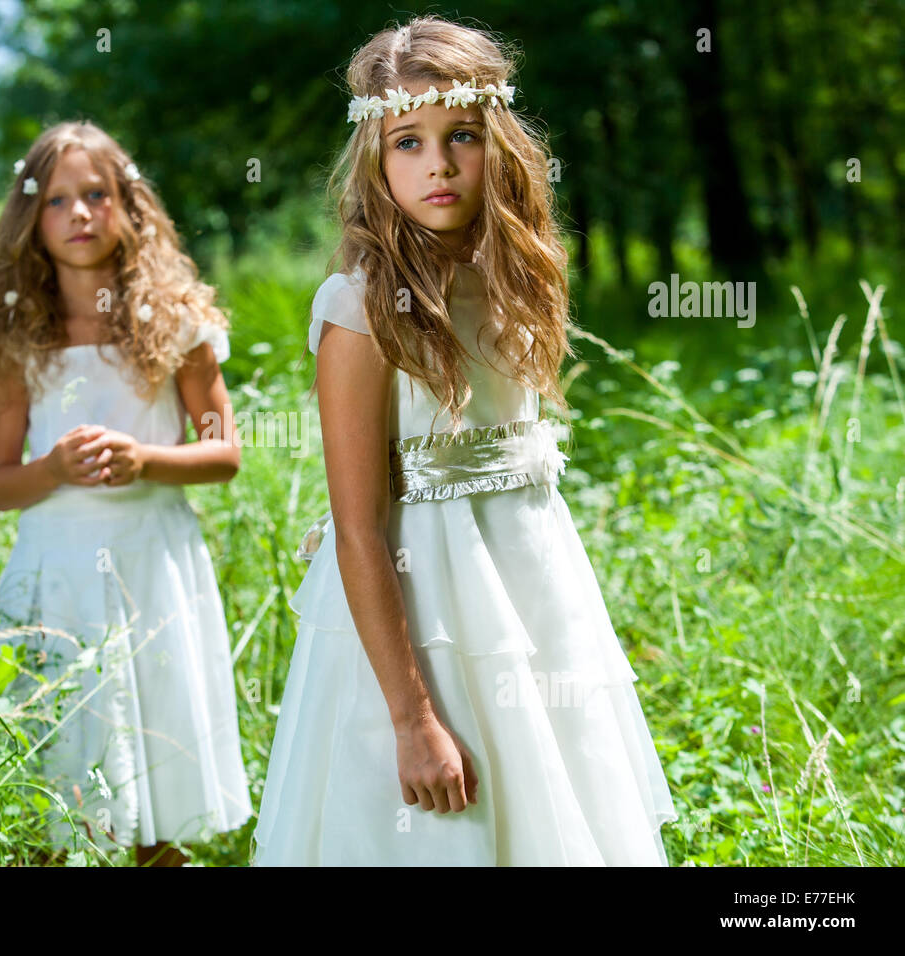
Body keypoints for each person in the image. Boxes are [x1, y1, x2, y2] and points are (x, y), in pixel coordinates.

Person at [252, 16, 678, 865]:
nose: (437, 165)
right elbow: (358, 526)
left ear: (500, 144)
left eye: (462, 137)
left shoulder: (518, 278)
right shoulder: (359, 308)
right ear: (374, 155)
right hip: (426, 612)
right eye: (407, 141)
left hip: (534, 596)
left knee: (555, 810)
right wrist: (412, 720)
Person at [0, 121, 252, 866]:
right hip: (57, 569)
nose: (80, 214)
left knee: (156, 767)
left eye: (97, 194)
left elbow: (224, 452)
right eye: (57, 200)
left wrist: (147, 459)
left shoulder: (177, 322)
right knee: (58, 768)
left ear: (130, 206)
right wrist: (54, 468)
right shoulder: (15, 336)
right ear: (32, 220)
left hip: (151, 561)